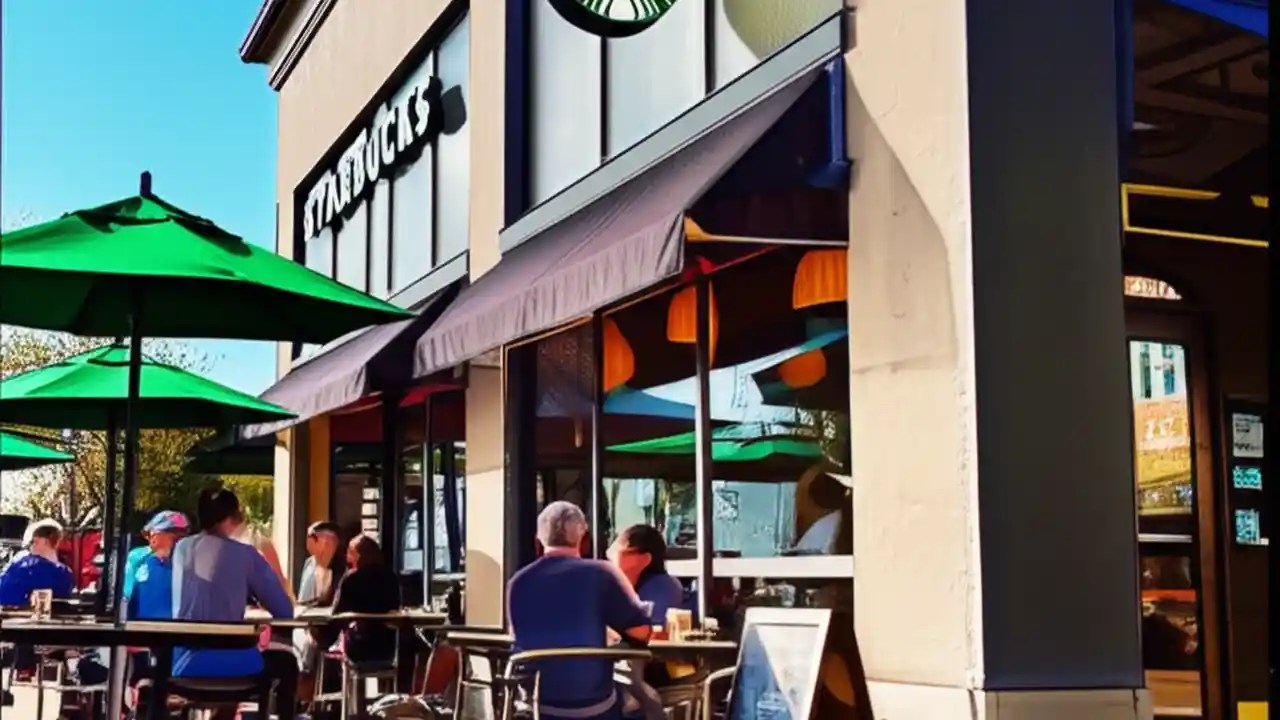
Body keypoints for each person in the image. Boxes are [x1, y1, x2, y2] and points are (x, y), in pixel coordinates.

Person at [507, 501, 652, 720]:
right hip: (594, 707)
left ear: (538, 543)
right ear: (584, 542)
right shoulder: (602, 573)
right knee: (647, 705)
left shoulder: (517, 582)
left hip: (538, 707)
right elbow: (642, 632)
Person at [171, 489, 297, 720]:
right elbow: (284, 610)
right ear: (230, 518)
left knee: (236, 655)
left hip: (183, 663)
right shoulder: (245, 554)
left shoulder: (180, 549)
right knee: (286, 663)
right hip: (232, 663)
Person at [0, 519, 74, 681]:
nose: (31, 546)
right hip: (56, 633)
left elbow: (4, 593)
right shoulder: (65, 573)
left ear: (43, 541)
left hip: (20, 630)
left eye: (33, 542)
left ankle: (24, 667)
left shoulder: (24, 566)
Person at [331, 534, 400, 664]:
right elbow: (395, 609)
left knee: (325, 641)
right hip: (387, 648)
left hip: (358, 646)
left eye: (350, 552)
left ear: (357, 555)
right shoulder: (391, 578)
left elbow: (337, 615)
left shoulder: (351, 580)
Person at [295, 520, 344, 701]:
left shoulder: (342, 568)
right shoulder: (309, 565)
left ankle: (306, 701)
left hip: (332, 629)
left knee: (310, 646)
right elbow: (303, 600)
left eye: (313, 537)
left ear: (329, 542)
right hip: (308, 623)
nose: (308, 542)